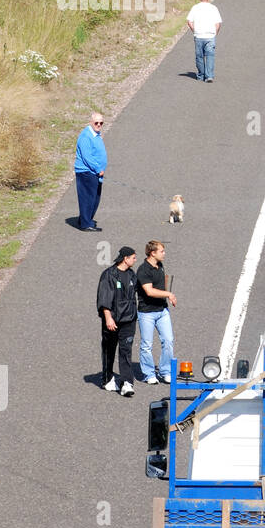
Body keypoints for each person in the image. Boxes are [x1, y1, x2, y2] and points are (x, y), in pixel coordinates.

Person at [96, 247, 138, 396]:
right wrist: (108, 317)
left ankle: (127, 382)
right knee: (109, 350)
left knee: (126, 350)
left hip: (129, 320)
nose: (135, 260)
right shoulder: (109, 275)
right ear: (125, 258)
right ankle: (107, 379)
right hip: (113, 320)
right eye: (133, 257)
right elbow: (104, 298)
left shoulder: (132, 275)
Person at [136, 240, 177, 385]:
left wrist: (166, 295)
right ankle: (149, 374)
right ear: (152, 253)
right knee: (147, 344)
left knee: (168, 341)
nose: (164, 254)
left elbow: (161, 282)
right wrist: (168, 294)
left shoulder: (159, 265)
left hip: (162, 311)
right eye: (162, 251)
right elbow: (149, 291)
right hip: (147, 313)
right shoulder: (143, 270)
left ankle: (165, 372)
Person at [74, 112, 106, 232]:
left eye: (101, 123)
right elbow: (87, 157)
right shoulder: (86, 136)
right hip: (87, 172)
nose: (99, 125)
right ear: (91, 122)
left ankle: (85, 219)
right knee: (88, 198)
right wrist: (98, 169)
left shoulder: (95, 134)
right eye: (96, 123)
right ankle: (86, 224)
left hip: (95, 172)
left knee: (95, 198)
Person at [186, 0, 222, 83]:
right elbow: (218, 23)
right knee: (210, 55)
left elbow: (189, 21)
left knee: (199, 56)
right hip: (210, 35)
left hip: (199, 35)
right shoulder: (213, 8)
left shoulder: (195, 8)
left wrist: (194, 30)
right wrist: (215, 33)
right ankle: (209, 76)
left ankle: (201, 75)